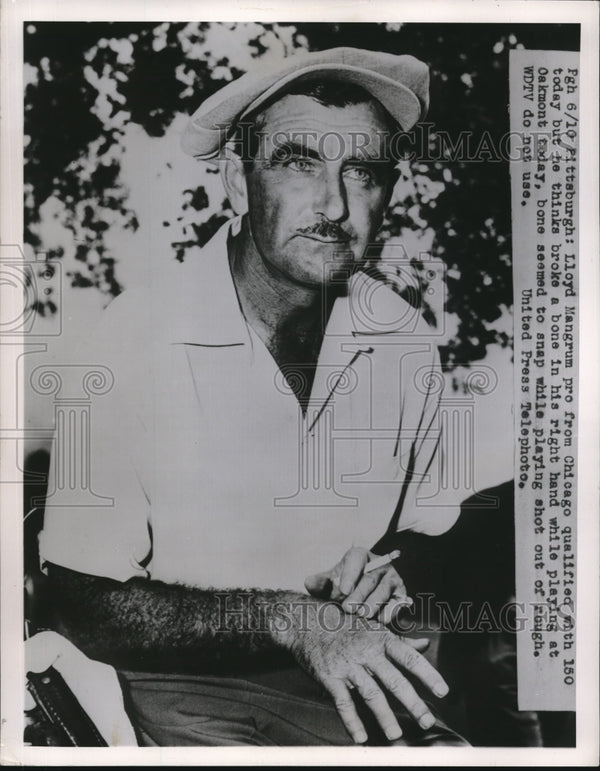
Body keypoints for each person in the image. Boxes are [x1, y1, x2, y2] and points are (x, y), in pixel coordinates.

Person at [39, 47, 467, 746]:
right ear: (238, 184)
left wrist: (395, 575)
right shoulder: (129, 339)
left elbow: (432, 537)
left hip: (359, 688)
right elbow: (80, 602)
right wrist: (292, 618)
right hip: (182, 699)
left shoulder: (403, 339)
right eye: (299, 163)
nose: (334, 205)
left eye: (363, 172)